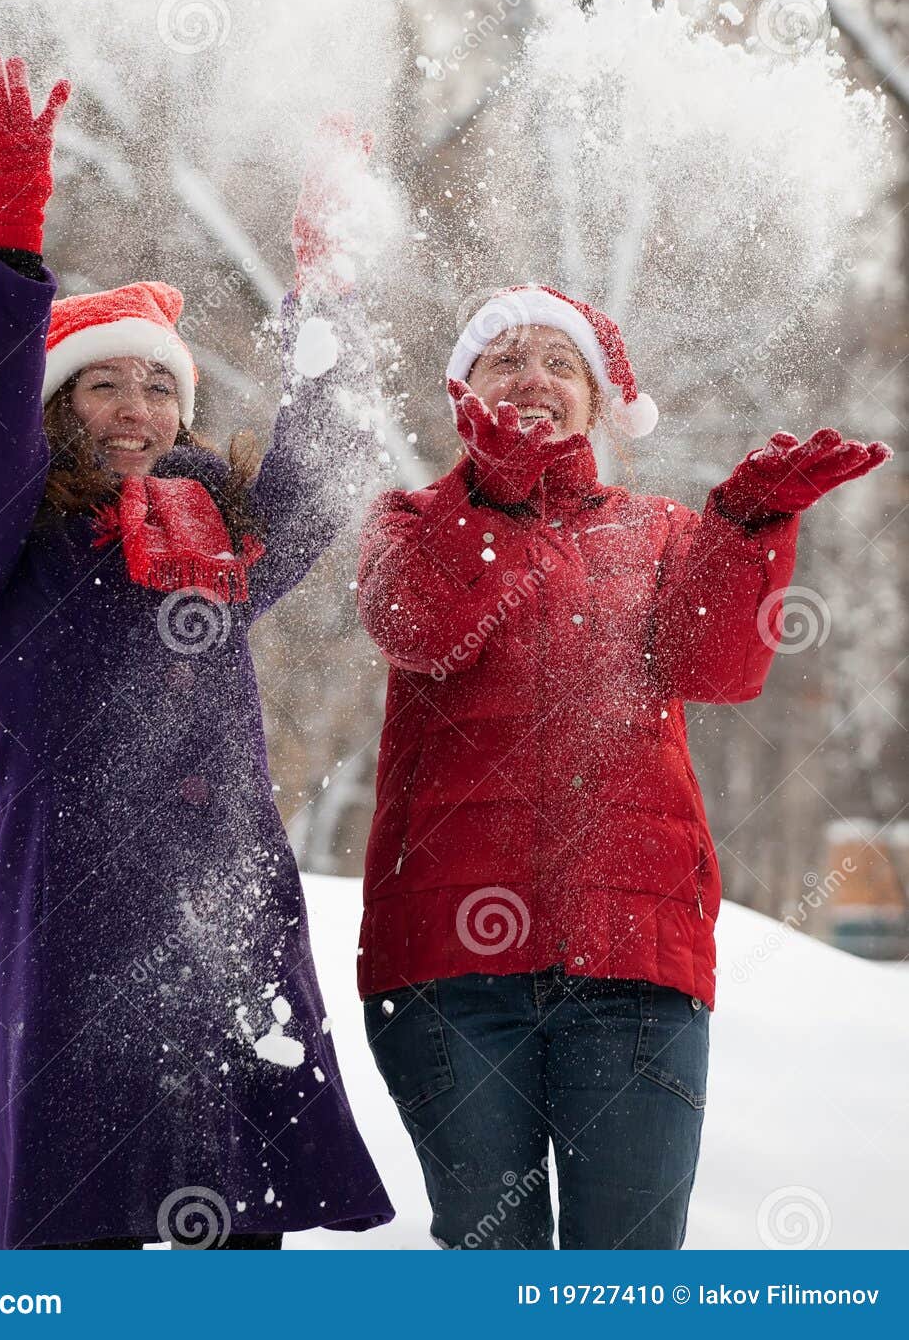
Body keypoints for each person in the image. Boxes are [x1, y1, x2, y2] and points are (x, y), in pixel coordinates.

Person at [0, 47, 392, 1250]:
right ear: (54, 409)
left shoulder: (215, 548)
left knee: (234, 1247)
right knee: (86, 1244)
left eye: (158, 390)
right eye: (100, 388)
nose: (135, 409)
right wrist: (12, 240)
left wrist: (324, 285)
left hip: (226, 926)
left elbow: (327, 462)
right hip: (78, 930)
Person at [355, 283, 891, 1250]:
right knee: (494, 1278)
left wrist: (746, 520)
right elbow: (419, 627)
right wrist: (495, 494)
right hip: (448, 970)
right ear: (461, 393)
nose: (534, 379)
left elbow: (720, 668)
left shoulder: (658, 534)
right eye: (505, 359)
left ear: (598, 404)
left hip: (636, 962)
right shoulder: (406, 520)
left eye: (562, 365)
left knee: (631, 1278)